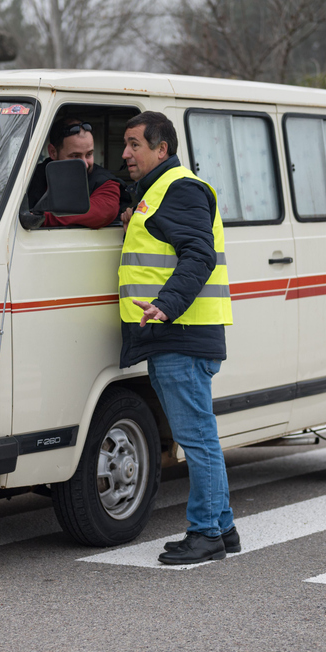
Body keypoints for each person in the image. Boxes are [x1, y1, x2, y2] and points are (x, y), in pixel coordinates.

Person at [117, 110, 237, 565]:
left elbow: (197, 256)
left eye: (134, 145)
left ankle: (205, 532)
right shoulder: (158, 191)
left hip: (181, 335)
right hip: (179, 335)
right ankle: (222, 528)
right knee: (201, 434)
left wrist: (167, 304)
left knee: (197, 437)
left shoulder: (179, 188)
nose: (126, 153)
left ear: (161, 149)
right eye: (126, 145)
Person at [25, 117, 123, 228]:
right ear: (52, 152)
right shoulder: (28, 178)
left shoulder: (106, 183)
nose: (85, 164)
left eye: (89, 154)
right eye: (75, 156)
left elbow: (101, 212)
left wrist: (40, 218)